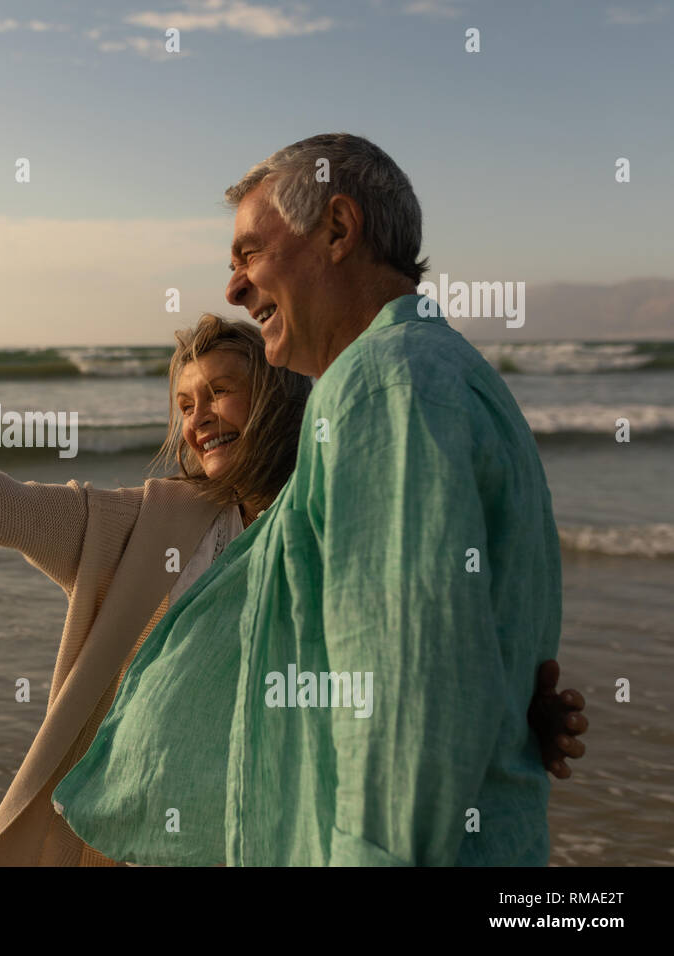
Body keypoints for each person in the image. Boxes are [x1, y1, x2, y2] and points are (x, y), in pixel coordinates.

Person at [0, 309, 587, 865]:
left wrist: (512, 709)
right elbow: (5, 504)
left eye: (220, 392)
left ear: (282, 398)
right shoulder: (146, 528)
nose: (198, 416)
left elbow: (410, 645)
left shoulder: (337, 527)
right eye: (184, 402)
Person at [51, 133, 575, 866]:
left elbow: (406, 694)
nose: (233, 287)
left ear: (337, 229)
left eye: (249, 254)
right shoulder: (440, 378)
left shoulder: (384, 387)